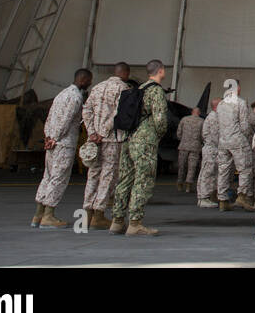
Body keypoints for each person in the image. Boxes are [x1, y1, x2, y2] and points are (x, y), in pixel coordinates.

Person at [110, 60, 168, 236]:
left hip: (129, 138)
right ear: (161, 71)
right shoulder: (156, 91)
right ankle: (135, 223)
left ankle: (117, 221)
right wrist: (157, 136)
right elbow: (160, 120)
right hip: (144, 141)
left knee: (125, 179)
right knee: (143, 180)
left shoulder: (139, 89)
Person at [32, 68, 91, 228]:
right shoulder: (75, 97)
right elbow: (66, 119)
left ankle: (38, 214)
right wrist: (56, 138)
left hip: (52, 140)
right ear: (83, 80)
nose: (90, 84)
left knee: (48, 176)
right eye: (89, 80)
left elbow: (50, 116)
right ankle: (49, 215)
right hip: (63, 144)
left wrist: (48, 137)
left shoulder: (62, 94)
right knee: (59, 178)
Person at [81, 62, 128, 228]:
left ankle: (86, 214)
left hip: (94, 140)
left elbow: (86, 110)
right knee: (108, 175)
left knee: (93, 174)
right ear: (125, 73)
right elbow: (118, 114)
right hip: (111, 139)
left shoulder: (97, 87)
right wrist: (103, 132)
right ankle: (99, 215)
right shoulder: (123, 89)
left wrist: (92, 132)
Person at [215, 79, 255, 211]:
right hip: (237, 140)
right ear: (237, 88)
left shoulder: (221, 104)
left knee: (223, 170)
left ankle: (222, 199)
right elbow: (244, 125)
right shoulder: (240, 103)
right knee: (245, 169)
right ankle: (242, 196)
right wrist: (250, 135)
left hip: (223, 141)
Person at [197, 99, 220, 208]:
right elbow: (216, 136)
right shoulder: (214, 118)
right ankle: (203, 197)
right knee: (207, 173)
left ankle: (208, 196)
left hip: (212, 149)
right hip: (211, 149)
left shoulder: (214, 117)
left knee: (211, 173)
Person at [175, 106, 203, 192]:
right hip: (195, 147)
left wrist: (183, 140)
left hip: (183, 146)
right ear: (199, 113)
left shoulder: (184, 119)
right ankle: (188, 185)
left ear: (192, 112)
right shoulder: (202, 121)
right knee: (192, 167)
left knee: (181, 165)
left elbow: (179, 133)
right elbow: (203, 135)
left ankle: (180, 183)